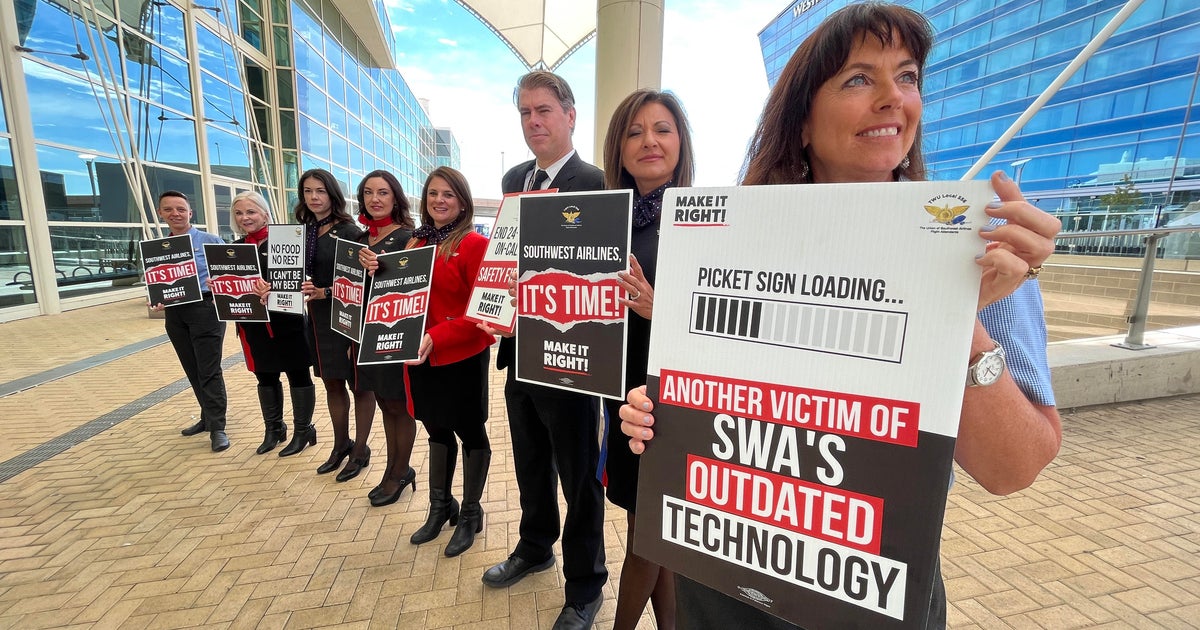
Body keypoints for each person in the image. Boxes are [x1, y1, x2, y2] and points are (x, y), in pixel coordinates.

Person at [617, 3, 1063, 629]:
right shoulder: (727, 240)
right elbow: (703, 400)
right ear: (800, 122)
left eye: (906, 77)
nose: (892, 98)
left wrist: (947, 310)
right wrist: (654, 413)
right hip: (721, 578)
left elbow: (1013, 468)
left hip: (866, 587)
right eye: (859, 79)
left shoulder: (984, 248)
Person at [479, 70, 608, 630]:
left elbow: (597, 275)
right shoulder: (514, 177)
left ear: (570, 115)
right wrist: (495, 310)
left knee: (578, 474)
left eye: (544, 111)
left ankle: (585, 586)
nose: (534, 122)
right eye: (526, 113)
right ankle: (536, 546)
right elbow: (507, 259)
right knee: (530, 460)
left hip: (572, 355)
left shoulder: (596, 183)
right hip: (518, 351)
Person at [600, 88, 695, 630]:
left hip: (670, 394)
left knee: (650, 530)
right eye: (634, 132)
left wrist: (660, 310)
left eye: (662, 128)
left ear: (681, 141)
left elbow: (722, 320)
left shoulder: (706, 219)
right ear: (619, 147)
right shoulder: (608, 221)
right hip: (621, 388)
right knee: (650, 523)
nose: (648, 141)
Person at [398, 166, 495, 557]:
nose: (439, 200)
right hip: (419, 357)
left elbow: (483, 311)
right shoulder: (412, 243)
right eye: (433, 193)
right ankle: (441, 506)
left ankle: (470, 513)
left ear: (463, 202)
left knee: (470, 432)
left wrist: (437, 336)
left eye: (449, 194)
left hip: (461, 355)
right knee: (436, 430)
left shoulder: (473, 245)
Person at [296, 169, 378, 470]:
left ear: (333, 195)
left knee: (359, 386)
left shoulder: (349, 231)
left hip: (346, 316)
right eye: (307, 191)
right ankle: (340, 443)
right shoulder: (301, 232)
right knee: (331, 383)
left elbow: (358, 280)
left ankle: (360, 449)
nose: (314, 197)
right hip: (316, 318)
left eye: (320, 191)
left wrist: (325, 291)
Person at [227, 191, 316, 457]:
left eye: (251, 212)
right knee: (265, 376)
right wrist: (220, 285)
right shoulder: (235, 248)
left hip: (286, 321)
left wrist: (273, 288)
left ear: (265, 213)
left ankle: (304, 429)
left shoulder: (285, 241)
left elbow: (296, 281)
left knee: (297, 374)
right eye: (239, 213)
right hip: (253, 324)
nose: (245, 218)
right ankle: (274, 428)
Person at [352, 170, 420, 502]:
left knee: (399, 405)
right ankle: (394, 468)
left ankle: (400, 471)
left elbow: (411, 283)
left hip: (395, 333)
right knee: (383, 404)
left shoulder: (409, 236)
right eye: (368, 193)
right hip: (365, 335)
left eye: (382, 192)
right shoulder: (360, 240)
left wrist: (384, 267)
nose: (375, 199)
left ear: (396, 198)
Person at [150, 191, 230, 452]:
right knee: (192, 368)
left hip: (205, 309)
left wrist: (220, 285)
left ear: (190, 213)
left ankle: (218, 427)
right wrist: (158, 298)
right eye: (169, 209)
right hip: (175, 313)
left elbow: (232, 272)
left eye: (180, 209)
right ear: (161, 214)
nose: (175, 214)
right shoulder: (161, 250)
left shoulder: (210, 241)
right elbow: (159, 282)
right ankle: (207, 417)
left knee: (209, 369)